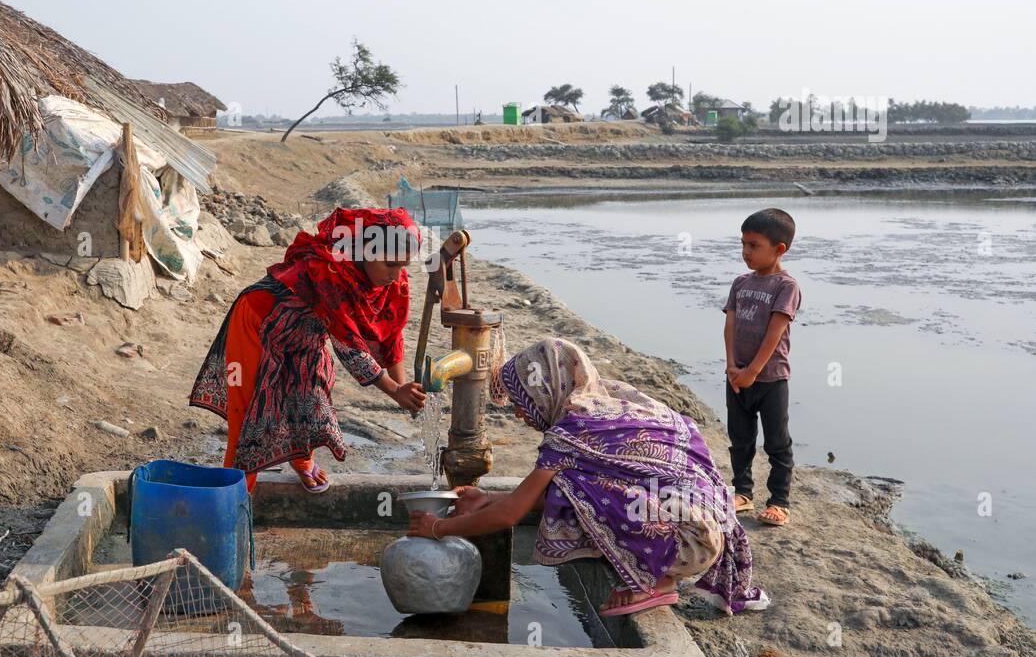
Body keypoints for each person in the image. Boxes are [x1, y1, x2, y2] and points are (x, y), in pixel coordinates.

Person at [407, 338, 769, 616]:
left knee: (578, 486)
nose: (518, 413)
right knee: (577, 482)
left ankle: (656, 581)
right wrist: (488, 499)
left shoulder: (571, 432)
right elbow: (527, 498)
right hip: (710, 526)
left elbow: (511, 515)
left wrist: (437, 530)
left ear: (545, 388)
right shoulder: (606, 400)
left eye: (521, 401)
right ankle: (657, 565)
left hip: (688, 543)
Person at [190, 207, 426, 493]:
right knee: (249, 410)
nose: (397, 273)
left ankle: (301, 461)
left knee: (312, 392)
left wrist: (403, 389)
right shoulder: (331, 271)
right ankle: (235, 497)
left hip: (305, 332)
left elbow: (391, 333)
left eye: (404, 265)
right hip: (258, 322)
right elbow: (349, 346)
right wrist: (394, 390)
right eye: (390, 263)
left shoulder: (392, 280)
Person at [723, 208, 802, 527]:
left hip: (770, 379)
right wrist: (732, 366)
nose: (746, 252)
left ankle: (779, 500)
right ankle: (743, 492)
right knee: (739, 438)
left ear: (779, 248)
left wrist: (753, 371)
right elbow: (730, 325)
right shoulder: (740, 283)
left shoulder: (786, 286)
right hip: (737, 376)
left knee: (776, 442)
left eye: (754, 245)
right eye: (743, 244)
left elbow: (775, 333)